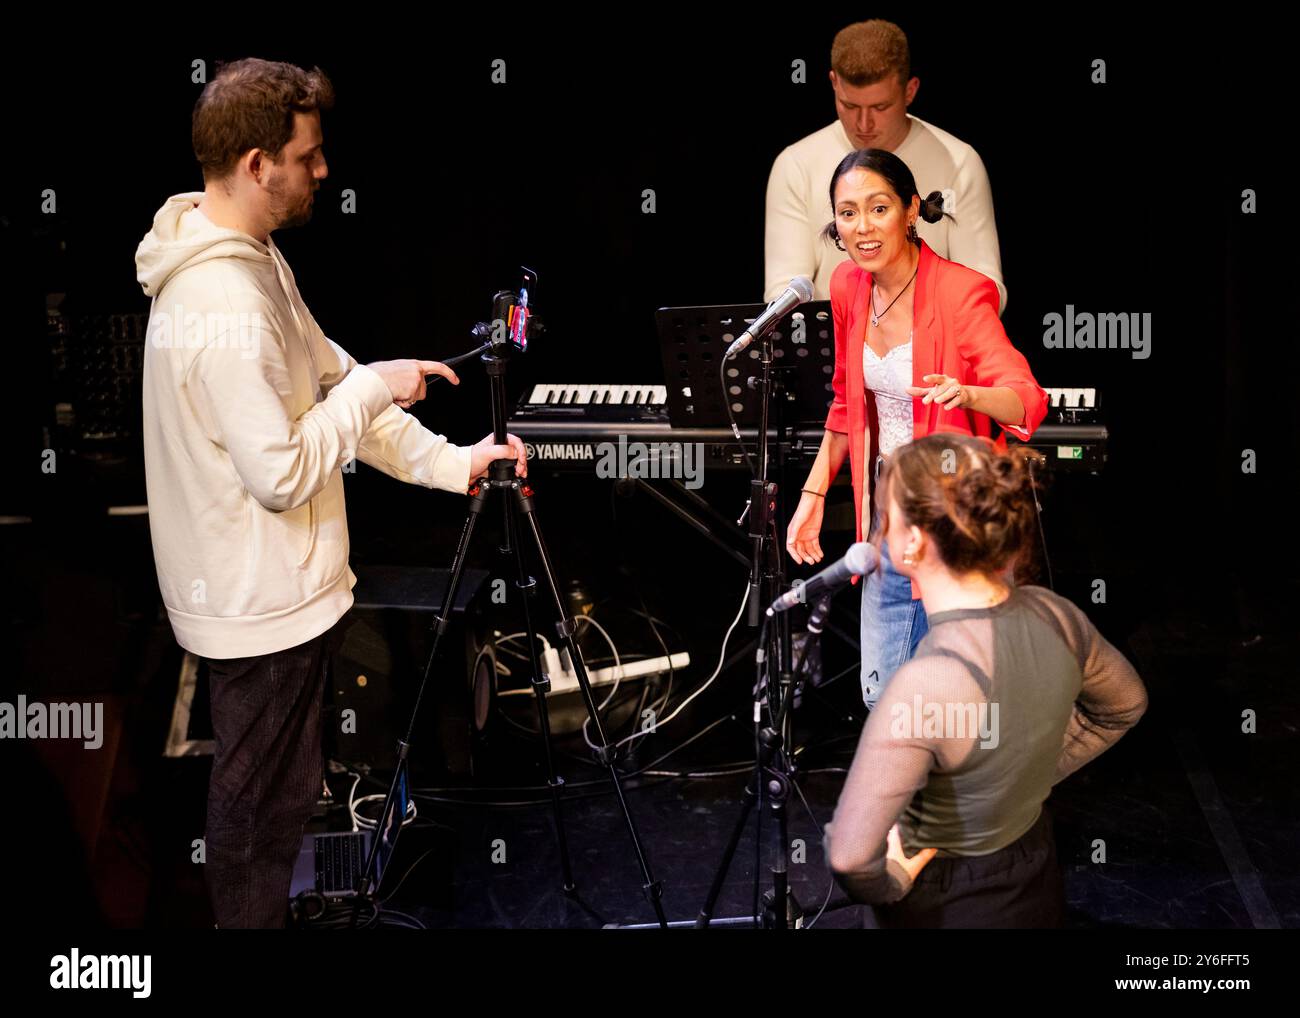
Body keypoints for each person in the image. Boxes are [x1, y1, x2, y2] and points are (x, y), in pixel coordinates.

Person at [135, 58, 526, 928]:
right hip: (256, 602)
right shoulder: (224, 300)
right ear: (254, 164)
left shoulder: (253, 260)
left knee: (276, 803)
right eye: (307, 156)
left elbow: (335, 382)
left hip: (279, 596)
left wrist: (453, 462)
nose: (322, 171)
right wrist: (370, 390)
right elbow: (282, 473)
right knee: (257, 815)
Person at [824, 434, 1148, 928]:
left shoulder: (924, 684)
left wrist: (890, 879)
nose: (876, 531)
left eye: (883, 515)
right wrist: (1026, 778)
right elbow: (1125, 705)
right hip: (1032, 879)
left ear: (912, 543)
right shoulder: (1059, 616)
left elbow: (850, 857)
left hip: (940, 903)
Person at [786, 148, 1046, 708]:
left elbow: (1027, 400)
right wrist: (813, 492)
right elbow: (845, 404)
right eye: (848, 213)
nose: (863, 226)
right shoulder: (846, 285)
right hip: (890, 515)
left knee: (961, 699)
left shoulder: (960, 292)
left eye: (878, 208)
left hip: (958, 520)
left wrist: (969, 392)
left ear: (909, 210)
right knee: (884, 697)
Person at [764, 19, 1006, 312]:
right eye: (850, 106)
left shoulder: (959, 163)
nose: (863, 124)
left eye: (880, 107)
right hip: (836, 348)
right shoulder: (795, 165)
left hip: (936, 344)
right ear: (833, 83)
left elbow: (984, 287)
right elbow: (785, 291)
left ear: (910, 91)